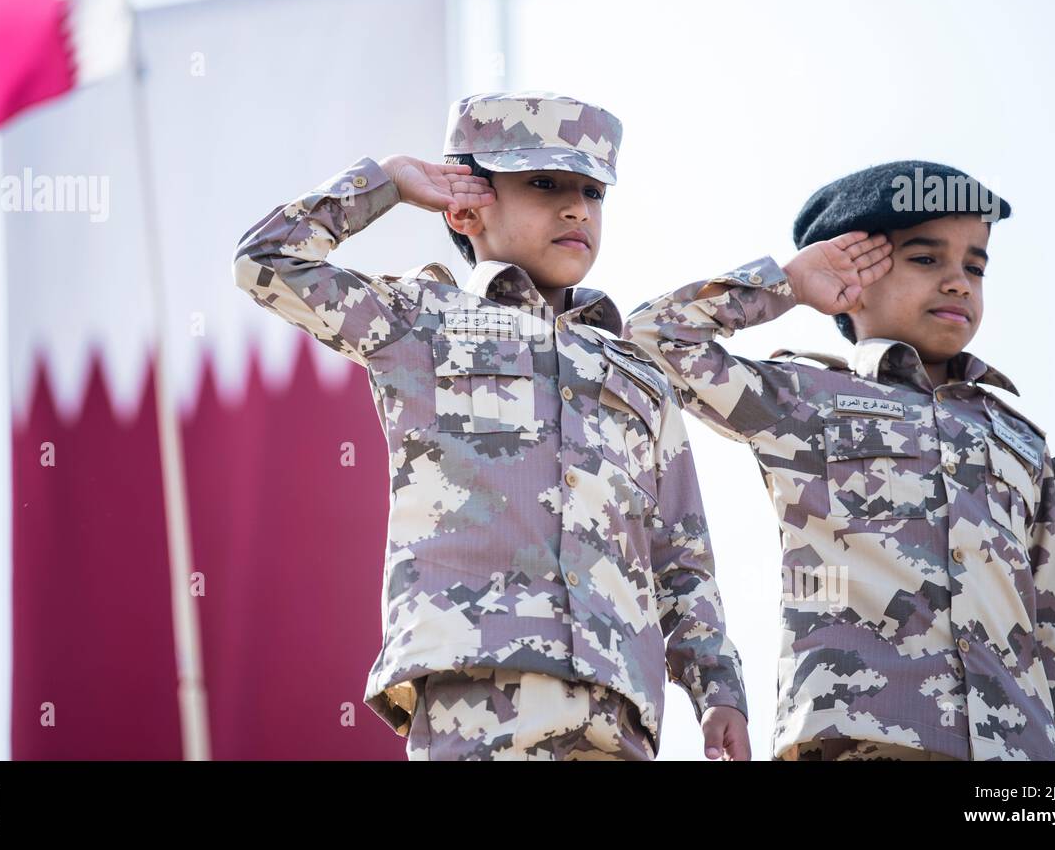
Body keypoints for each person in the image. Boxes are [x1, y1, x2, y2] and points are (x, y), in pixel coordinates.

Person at [232, 91, 749, 760]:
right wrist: (386, 183)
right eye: (544, 183)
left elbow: (682, 559)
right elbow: (266, 261)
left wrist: (720, 692)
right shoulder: (420, 320)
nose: (576, 209)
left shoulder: (638, 373)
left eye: (593, 191)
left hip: (615, 718)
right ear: (469, 203)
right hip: (476, 706)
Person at [623, 160, 1055, 760]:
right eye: (925, 259)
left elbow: (1051, 623)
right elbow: (654, 340)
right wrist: (787, 284)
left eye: (975, 266)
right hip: (856, 738)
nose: (958, 282)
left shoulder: (1020, 440)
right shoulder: (805, 398)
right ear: (851, 277)